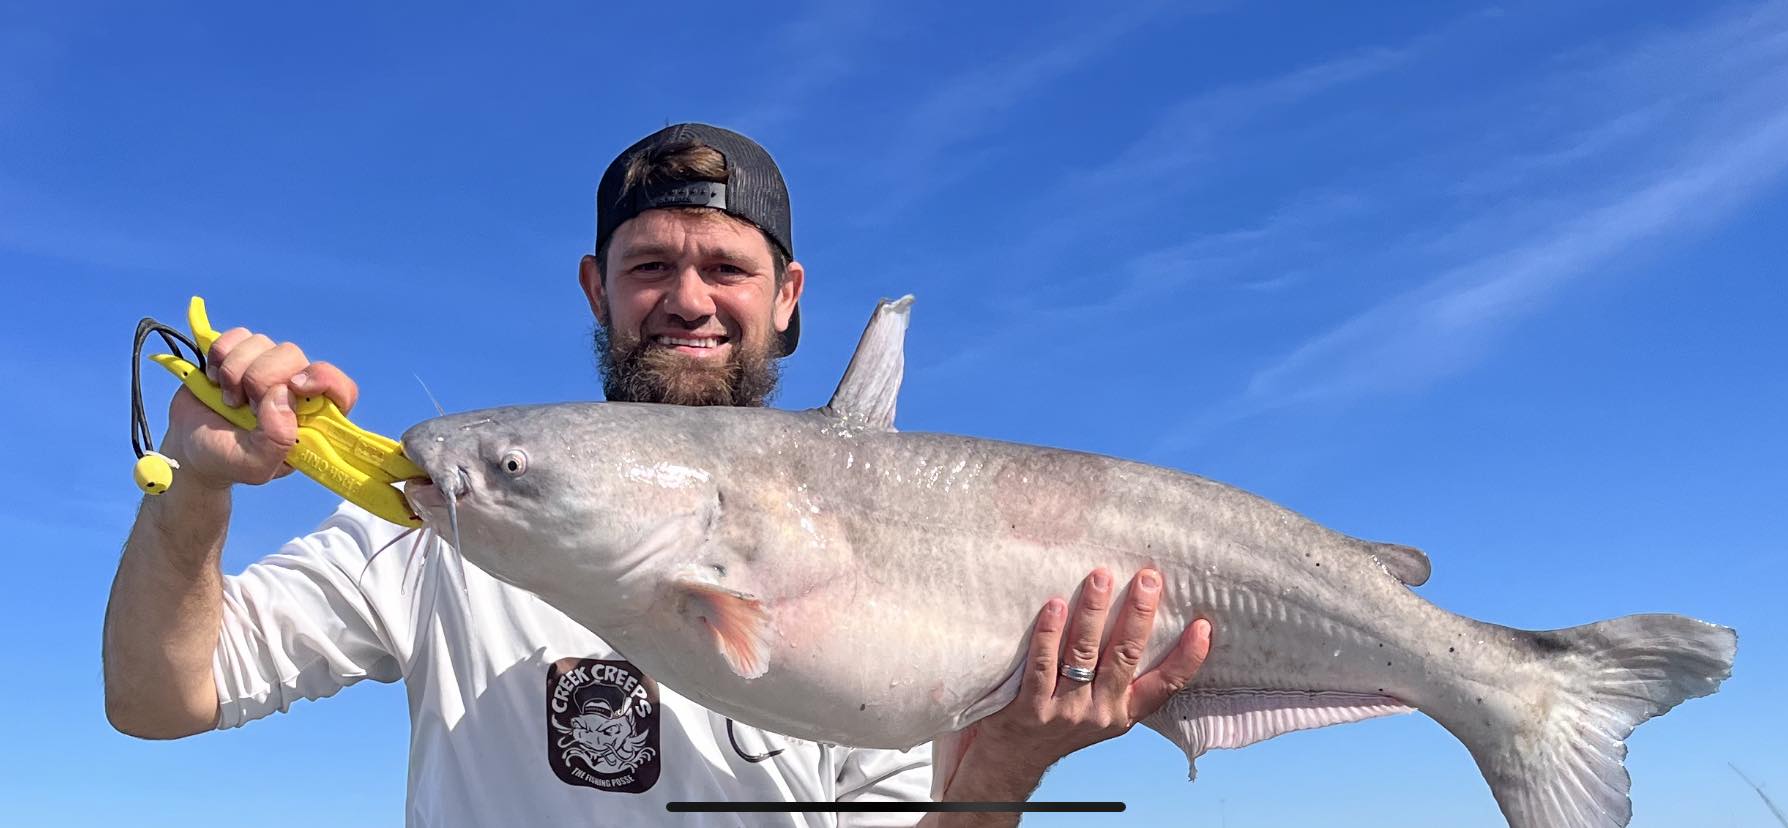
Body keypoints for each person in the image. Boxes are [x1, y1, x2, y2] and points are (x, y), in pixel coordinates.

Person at [102, 123, 1213, 827]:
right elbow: (157, 702)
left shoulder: (913, 587)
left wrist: (998, 775)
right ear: (597, 288)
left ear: (787, 298)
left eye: (727, 267)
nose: (688, 299)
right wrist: (195, 494)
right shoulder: (453, 513)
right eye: (650, 266)